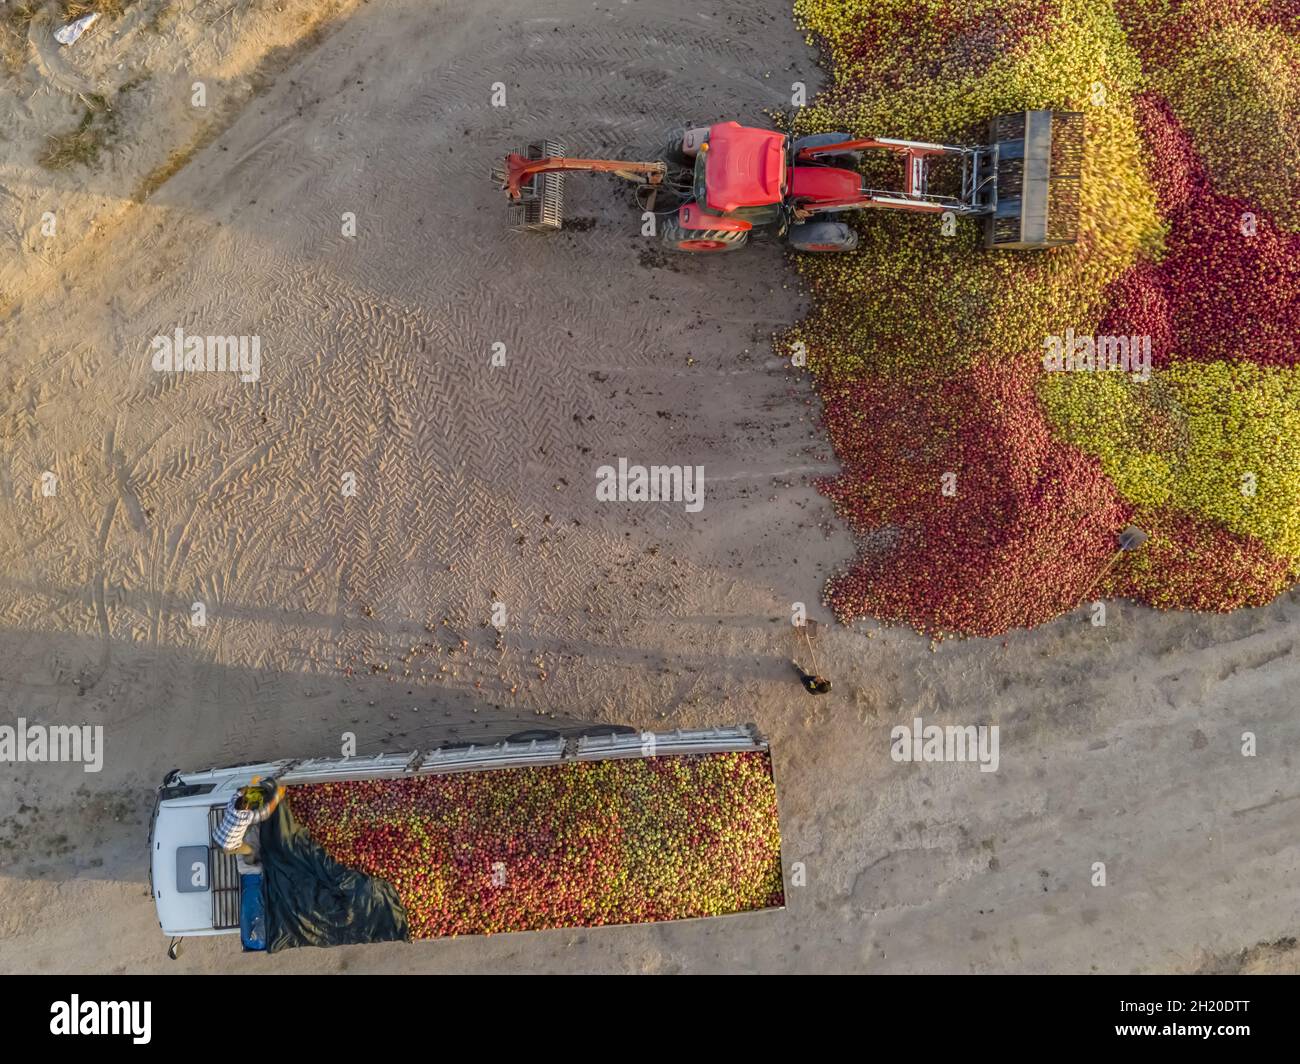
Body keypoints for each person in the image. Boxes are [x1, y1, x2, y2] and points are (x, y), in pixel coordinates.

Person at [212, 778, 285, 857]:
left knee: (246, 828)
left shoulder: (232, 803)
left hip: (217, 836)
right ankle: (249, 861)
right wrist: (277, 796)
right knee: (250, 850)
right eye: (247, 804)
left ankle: (239, 839)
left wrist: (254, 784)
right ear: (245, 808)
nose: (249, 805)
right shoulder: (243, 817)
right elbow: (266, 812)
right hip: (226, 847)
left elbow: (241, 791)